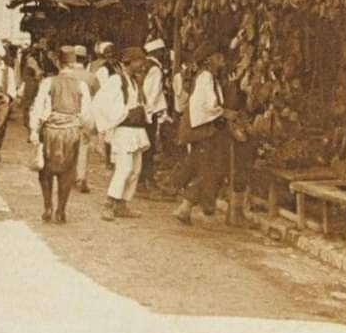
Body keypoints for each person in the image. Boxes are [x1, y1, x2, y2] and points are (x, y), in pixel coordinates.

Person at [173, 42, 238, 225]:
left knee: (205, 169)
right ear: (210, 60)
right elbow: (209, 106)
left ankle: (192, 207)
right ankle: (185, 206)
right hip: (203, 131)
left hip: (204, 130)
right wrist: (225, 113)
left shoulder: (210, 78)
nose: (223, 62)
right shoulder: (206, 78)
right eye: (220, 58)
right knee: (208, 169)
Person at [28, 46, 92, 223]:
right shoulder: (81, 85)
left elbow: (37, 106)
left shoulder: (48, 82)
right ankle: (61, 211)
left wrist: (33, 130)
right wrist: (86, 130)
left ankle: (48, 206)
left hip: (50, 131)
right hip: (71, 131)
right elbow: (86, 113)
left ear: (58, 63)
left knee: (46, 170)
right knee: (67, 171)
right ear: (74, 65)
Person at [91, 46, 151, 221]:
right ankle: (109, 204)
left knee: (135, 171)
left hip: (137, 131)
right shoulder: (116, 81)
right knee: (124, 169)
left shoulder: (133, 81)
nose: (142, 65)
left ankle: (122, 204)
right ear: (129, 62)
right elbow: (100, 104)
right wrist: (122, 114)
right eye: (139, 61)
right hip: (124, 130)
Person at [138, 39, 170, 198]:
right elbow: (152, 92)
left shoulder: (142, 65)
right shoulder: (155, 68)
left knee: (144, 148)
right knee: (148, 148)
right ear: (158, 52)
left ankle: (142, 180)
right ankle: (146, 181)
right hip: (148, 113)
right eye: (162, 51)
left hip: (141, 112)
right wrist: (149, 113)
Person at [71, 45, 98, 194]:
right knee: (83, 147)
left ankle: (69, 177)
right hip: (85, 115)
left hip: (68, 115)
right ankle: (81, 178)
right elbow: (99, 98)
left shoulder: (65, 76)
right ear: (86, 58)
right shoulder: (91, 77)